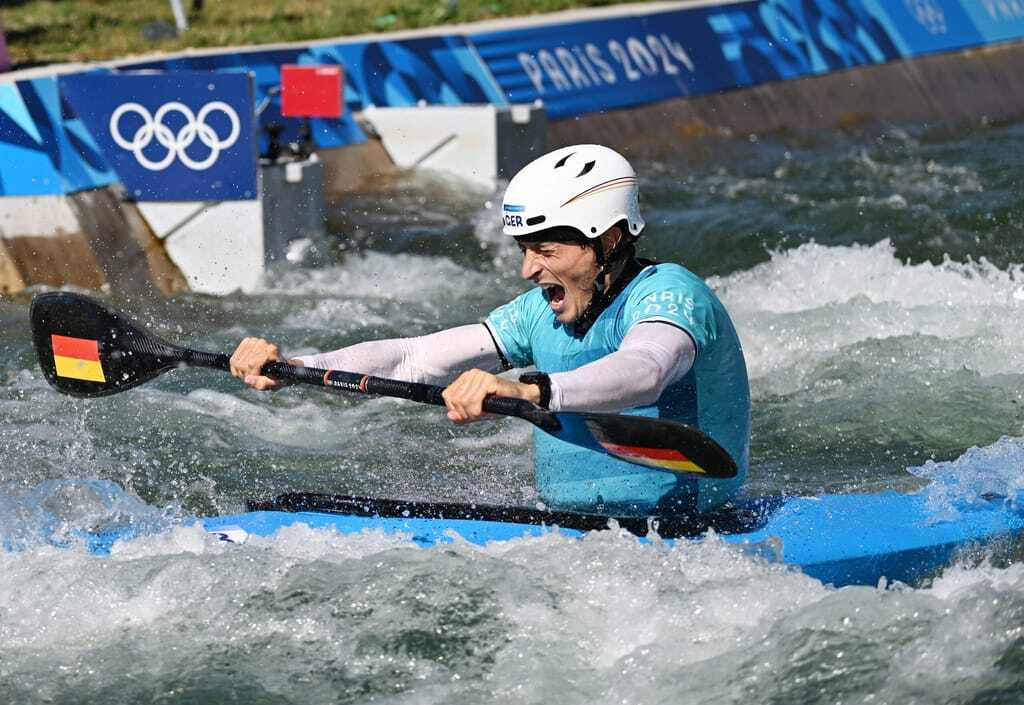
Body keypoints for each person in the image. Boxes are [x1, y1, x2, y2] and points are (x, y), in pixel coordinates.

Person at [230, 144, 750, 516]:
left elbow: (646, 369)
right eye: (525, 251)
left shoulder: (672, 295)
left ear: (610, 240)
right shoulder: (538, 311)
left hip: (695, 532)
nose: (528, 269)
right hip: (571, 528)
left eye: (546, 251)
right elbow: (414, 359)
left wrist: (529, 391)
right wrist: (298, 367)